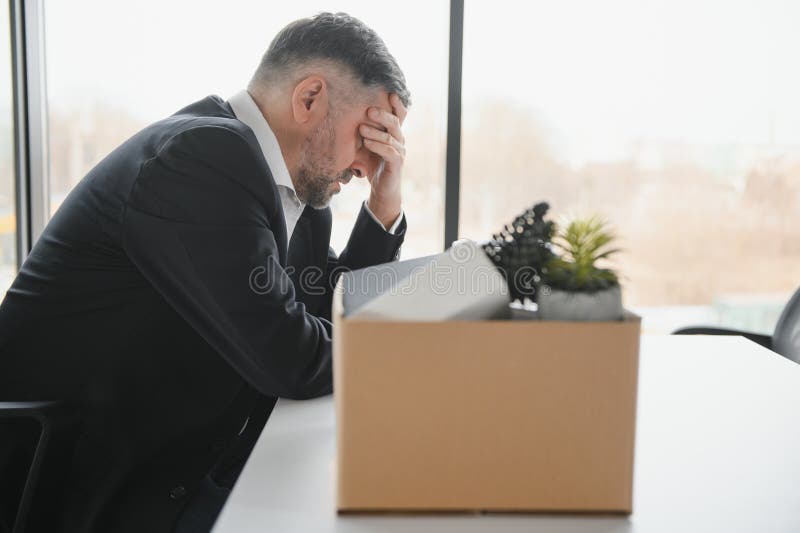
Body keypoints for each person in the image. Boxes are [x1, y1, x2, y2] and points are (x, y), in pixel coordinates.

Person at [0, 12, 410, 532]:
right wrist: (411, 347)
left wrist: (384, 202)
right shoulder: (203, 156)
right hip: (91, 483)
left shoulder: (297, 197)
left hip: (187, 455)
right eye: (369, 135)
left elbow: (327, 310)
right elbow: (292, 357)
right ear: (309, 99)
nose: (366, 164)